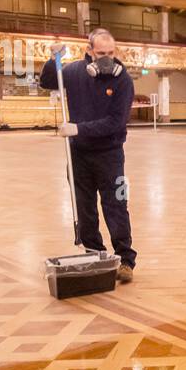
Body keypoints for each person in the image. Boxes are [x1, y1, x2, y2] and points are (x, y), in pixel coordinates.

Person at [41, 29, 136, 283]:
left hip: (111, 155)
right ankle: (95, 254)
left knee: (116, 206)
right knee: (84, 208)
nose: (106, 58)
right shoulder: (73, 72)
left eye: (111, 53)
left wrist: (79, 128)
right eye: (101, 53)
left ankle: (125, 259)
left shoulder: (122, 80)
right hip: (78, 155)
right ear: (89, 50)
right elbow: (48, 81)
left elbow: (116, 122)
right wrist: (53, 60)